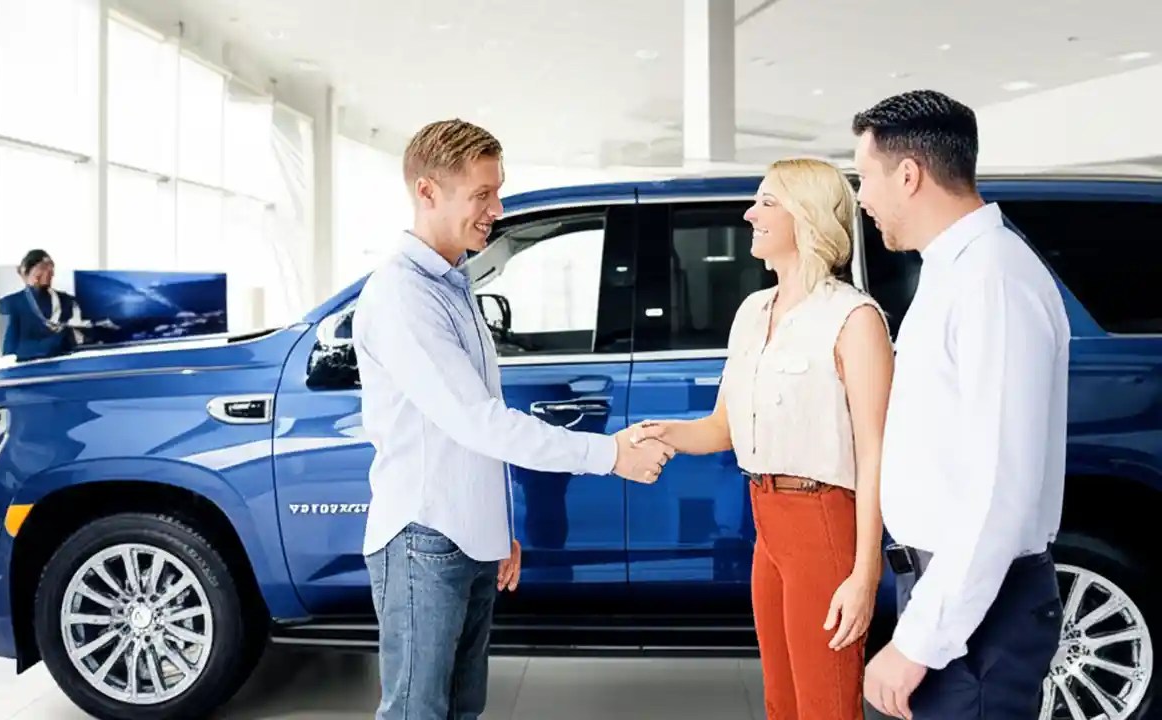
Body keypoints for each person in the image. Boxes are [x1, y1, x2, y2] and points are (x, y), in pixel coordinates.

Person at [352, 118, 676, 720]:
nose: (495, 210)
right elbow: (480, 422)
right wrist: (609, 455)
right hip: (424, 538)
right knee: (416, 713)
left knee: (461, 710)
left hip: (462, 537)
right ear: (427, 192)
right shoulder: (402, 296)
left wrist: (495, 528)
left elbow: (474, 424)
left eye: (497, 191)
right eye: (482, 194)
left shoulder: (451, 283)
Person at [629, 158, 894, 720]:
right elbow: (724, 427)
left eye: (767, 201)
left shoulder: (855, 319)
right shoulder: (753, 311)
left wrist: (864, 573)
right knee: (782, 704)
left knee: (825, 706)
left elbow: (875, 455)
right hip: (766, 526)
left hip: (824, 525)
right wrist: (660, 434)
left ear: (809, 216)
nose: (750, 213)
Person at [852, 89, 1070, 719]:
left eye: (865, 176)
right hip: (954, 595)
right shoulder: (956, 272)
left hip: (980, 610)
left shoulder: (991, 280)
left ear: (910, 174)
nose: (862, 198)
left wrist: (921, 639)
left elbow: (999, 488)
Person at [0, 250, 85, 361]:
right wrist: (55, 341)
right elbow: (10, 351)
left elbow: (80, 338)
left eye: (51, 267)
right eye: (43, 267)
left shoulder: (67, 301)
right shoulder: (9, 304)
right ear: (26, 271)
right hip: (27, 370)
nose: (49, 272)